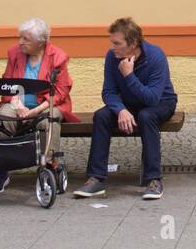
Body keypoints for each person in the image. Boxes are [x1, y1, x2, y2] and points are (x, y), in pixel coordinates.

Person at [74, 17, 177, 201]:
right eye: (112, 42)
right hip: (128, 103)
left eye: (117, 43)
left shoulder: (155, 56)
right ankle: (95, 179)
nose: (113, 47)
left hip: (161, 102)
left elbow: (152, 98)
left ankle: (154, 180)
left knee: (146, 116)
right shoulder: (112, 57)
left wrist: (129, 75)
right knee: (102, 116)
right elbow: (108, 92)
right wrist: (120, 109)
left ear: (133, 43)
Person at [0, 17, 78, 194]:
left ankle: (49, 165)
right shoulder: (15, 53)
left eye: (26, 39)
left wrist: (34, 110)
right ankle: (3, 168)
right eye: (20, 37)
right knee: (4, 117)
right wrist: (17, 103)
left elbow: (61, 91)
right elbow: (8, 82)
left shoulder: (57, 57)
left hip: (46, 105)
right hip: (18, 103)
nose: (20, 42)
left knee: (49, 121)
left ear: (41, 42)